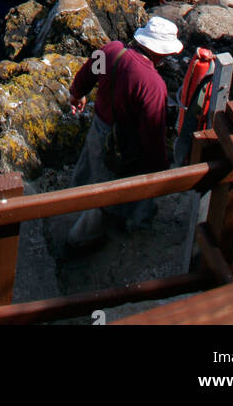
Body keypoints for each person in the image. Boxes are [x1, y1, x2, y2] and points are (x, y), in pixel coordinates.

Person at [65, 16, 183, 246]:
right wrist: (160, 169)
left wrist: (77, 94)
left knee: (92, 166)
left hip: (99, 125)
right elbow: (152, 132)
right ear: (160, 52)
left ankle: (73, 203)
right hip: (125, 141)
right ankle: (79, 240)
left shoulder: (112, 50)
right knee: (112, 189)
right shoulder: (152, 84)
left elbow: (91, 69)